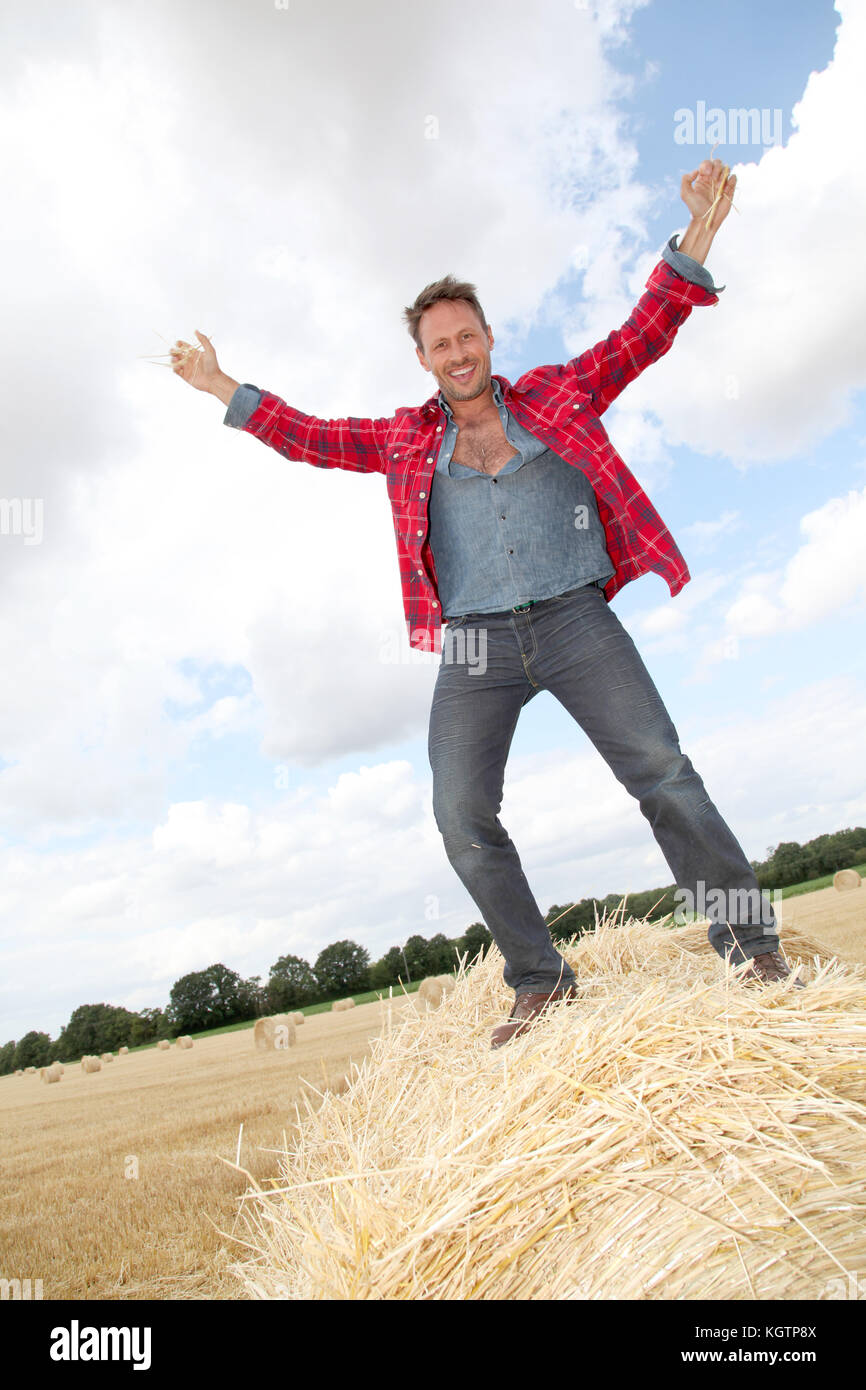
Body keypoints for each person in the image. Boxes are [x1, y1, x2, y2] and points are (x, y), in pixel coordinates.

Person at [171, 158, 801, 1051]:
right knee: (459, 812)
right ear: (424, 360)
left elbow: (644, 332)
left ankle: (752, 946)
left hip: (575, 618)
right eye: (440, 345)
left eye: (468, 337)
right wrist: (219, 385)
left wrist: (700, 229)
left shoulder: (557, 390)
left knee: (663, 770)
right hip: (473, 645)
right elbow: (311, 438)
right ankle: (541, 980)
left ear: (489, 340)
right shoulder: (402, 438)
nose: (457, 354)